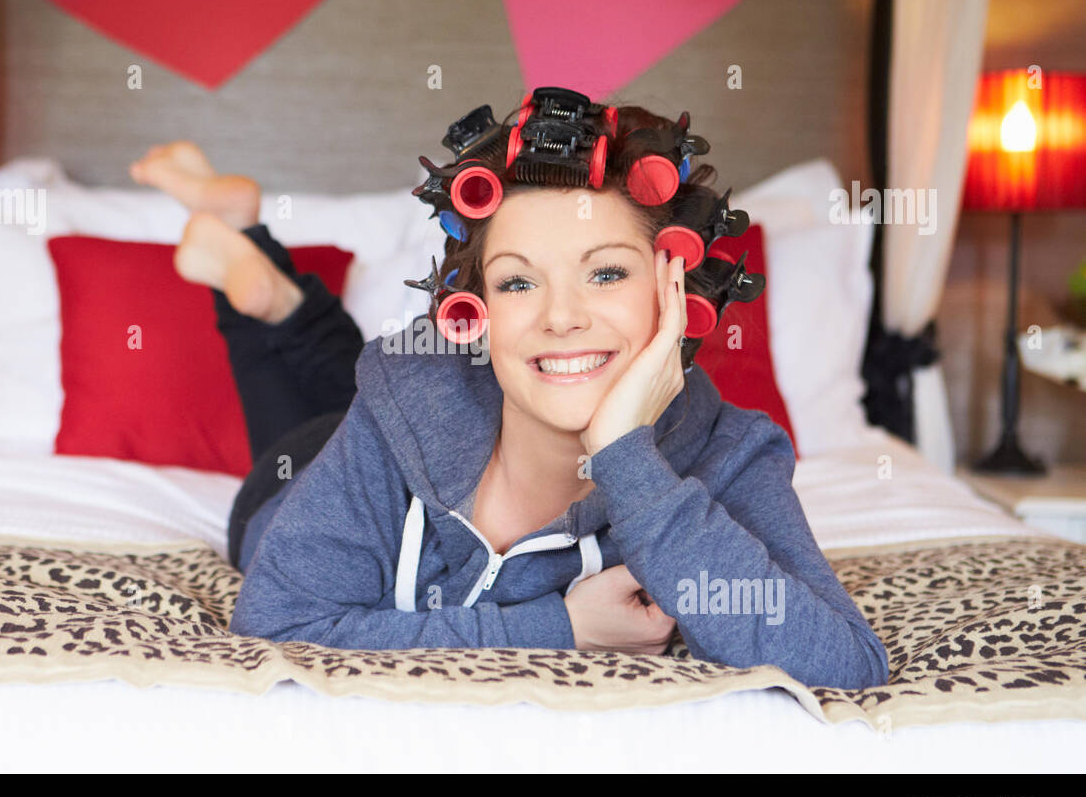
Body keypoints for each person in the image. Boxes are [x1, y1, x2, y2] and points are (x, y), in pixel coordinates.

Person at [131, 92, 890, 691]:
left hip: (413, 404)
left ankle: (254, 261)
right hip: (298, 470)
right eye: (520, 280)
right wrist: (558, 627)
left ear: (671, 285)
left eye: (606, 273)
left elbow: (844, 665)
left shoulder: (729, 453)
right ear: (482, 309)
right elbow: (278, 622)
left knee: (375, 379)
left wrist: (628, 457)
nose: (562, 317)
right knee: (364, 394)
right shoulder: (405, 393)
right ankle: (256, 280)